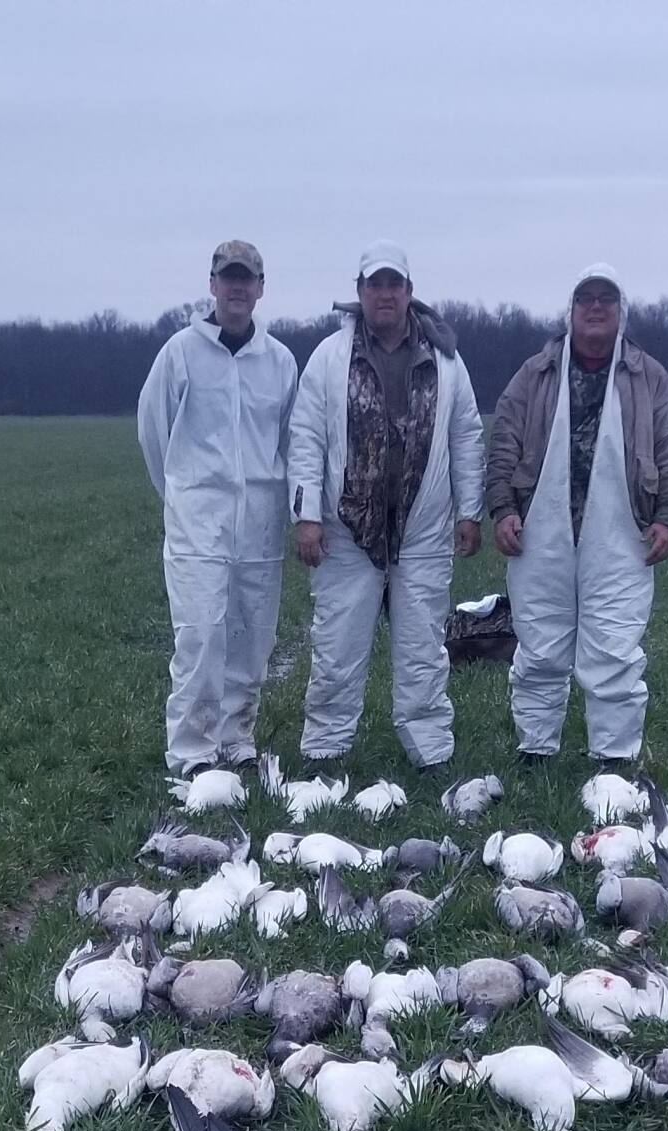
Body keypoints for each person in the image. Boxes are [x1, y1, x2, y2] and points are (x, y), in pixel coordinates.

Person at [288, 242, 484, 770]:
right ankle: (325, 750)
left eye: (394, 284)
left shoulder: (446, 360)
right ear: (359, 293)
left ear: (409, 293)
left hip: (422, 531)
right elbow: (305, 436)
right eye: (374, 284)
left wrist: (470, 510)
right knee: (337, 646)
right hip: (346, 529)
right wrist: (306, 515)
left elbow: (466, 435)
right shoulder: (330, 358)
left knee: (423, 649)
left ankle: (430, 752)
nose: (385, 294)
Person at [486, 264, 668, 764]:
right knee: (538, 645)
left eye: (607, 299)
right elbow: (503, 443)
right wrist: (502, 509)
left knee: (615, 648)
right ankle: (535, 749)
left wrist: (667, 517)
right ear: (571, 310)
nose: (596, 307)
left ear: (621, 312)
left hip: (623, 535)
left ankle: (615, 761)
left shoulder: (649, 377)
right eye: (586, 298)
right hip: (540, 531)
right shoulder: (536, 374)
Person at [137, 240, 299, 776]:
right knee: (201, 636)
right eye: (227, 277)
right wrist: (183, 495)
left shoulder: (278, 362)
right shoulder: (181, 353)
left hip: (259, 524)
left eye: (246, 278)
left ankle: (237, 740)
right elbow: (153, 430)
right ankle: (192, 751)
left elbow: (289, 441)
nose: (237, 287)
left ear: (260, 288)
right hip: (197, 523)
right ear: (211, 285)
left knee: (251, 637)